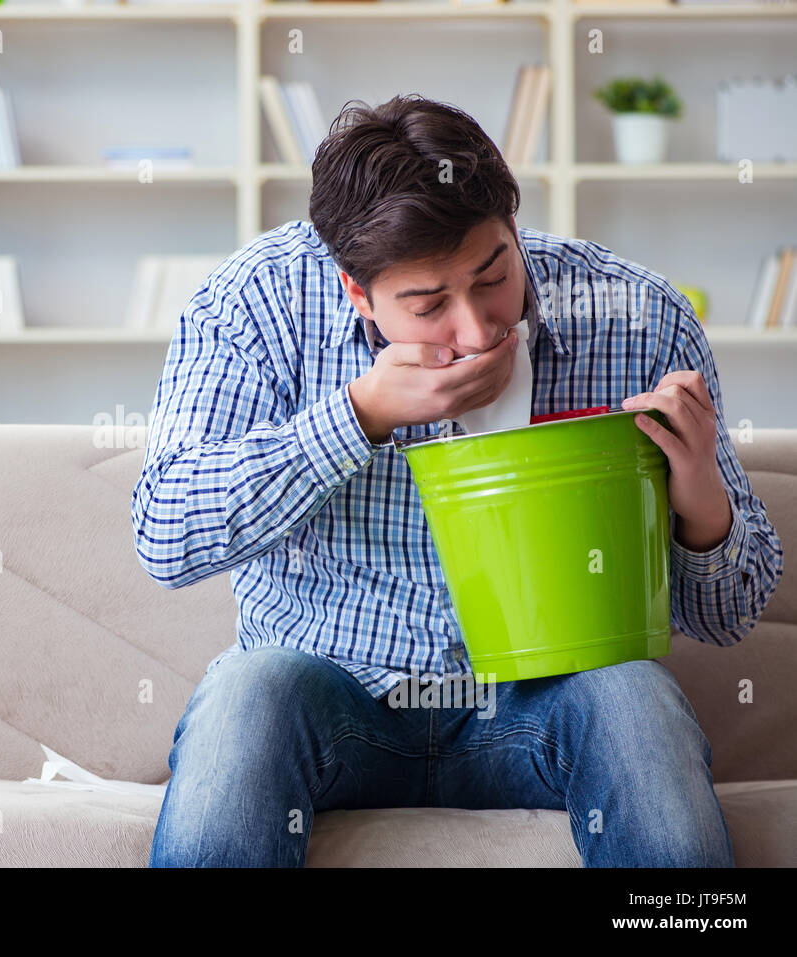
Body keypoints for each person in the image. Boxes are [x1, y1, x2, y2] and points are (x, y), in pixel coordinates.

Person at [130, 94, 784, 867]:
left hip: (543, 704)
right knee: (248, 691)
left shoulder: (638, 317)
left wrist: (699, 494)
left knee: (632, 693)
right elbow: (166, 537)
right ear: (356, 292)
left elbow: (729, 615)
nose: (477, 330)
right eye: (429, 304)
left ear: (513, 227)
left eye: (493, 276)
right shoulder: (256, 305)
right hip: (333, 700)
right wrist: (359, 414)